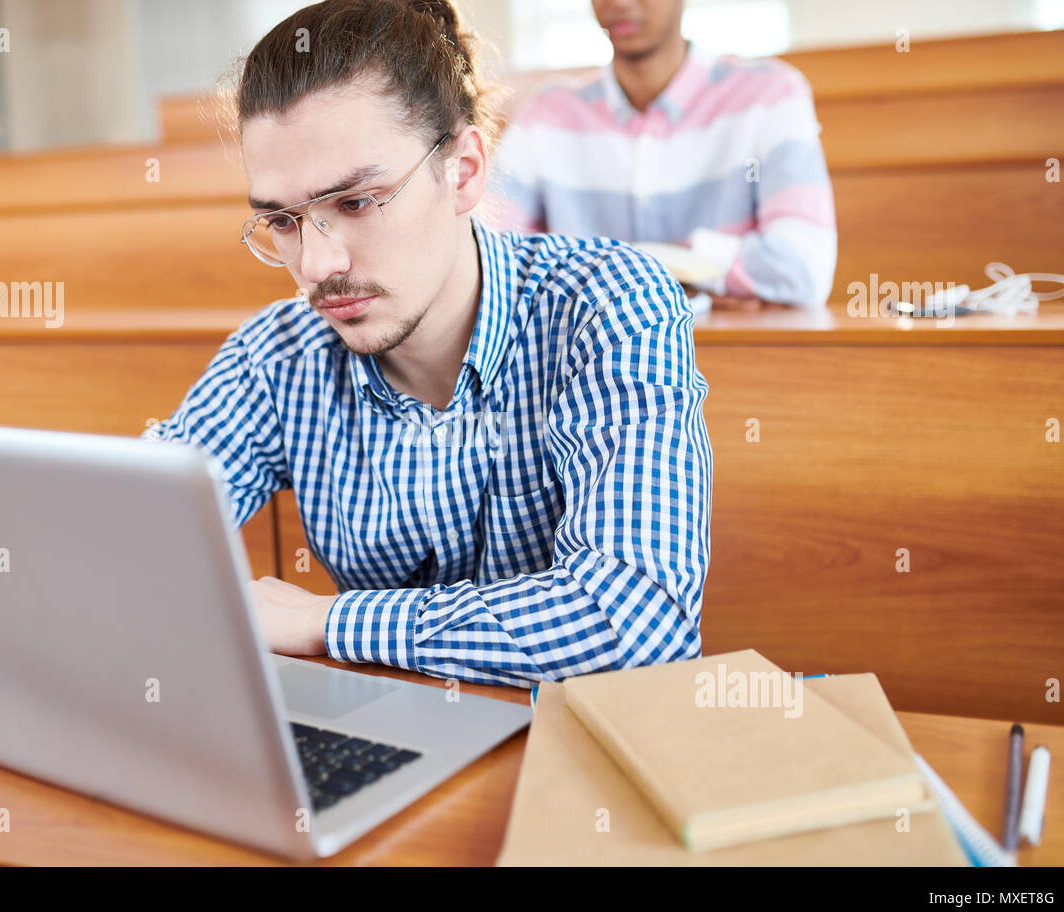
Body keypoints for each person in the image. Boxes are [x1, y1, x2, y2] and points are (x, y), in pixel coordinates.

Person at [145, 0, 712, 689]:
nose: (318, 267)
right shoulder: (274, 359)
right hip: (398, 742)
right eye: (283, 222)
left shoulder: (609, 304)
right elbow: (126, 538)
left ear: (464, 170)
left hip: (578, 756)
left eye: (355, 203)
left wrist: (331, 623)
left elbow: (634, 622)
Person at [489, 0, 837, 308]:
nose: (619, 3)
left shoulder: (770, 96)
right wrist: (702, 273)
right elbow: (490, 260)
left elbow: (804, 266)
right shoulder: (545, 113)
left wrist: (596, 276)